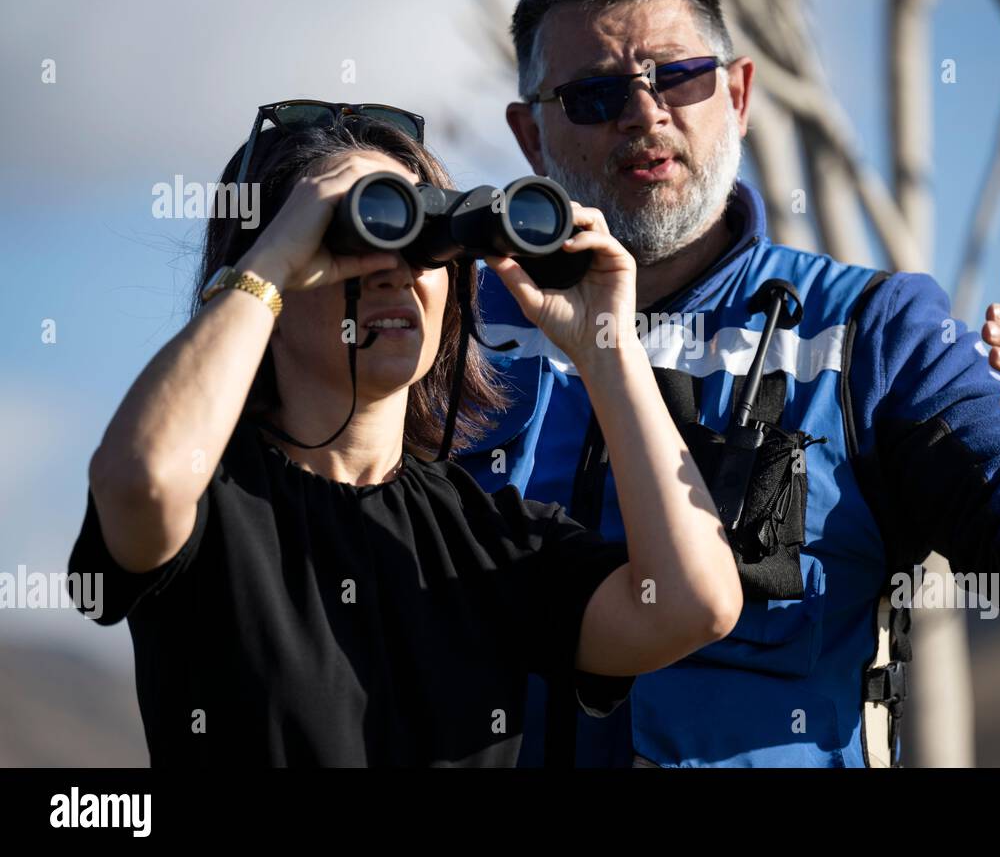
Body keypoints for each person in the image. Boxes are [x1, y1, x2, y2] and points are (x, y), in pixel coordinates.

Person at [457, 0, 1000, 767]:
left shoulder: (874, 331)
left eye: (680, 76)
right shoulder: (442, 325)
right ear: (530, 135)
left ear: (741, 94)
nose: (647, 113)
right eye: (595, 96)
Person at [68, 104, 742, 766]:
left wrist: (606, 347)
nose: (396, 270)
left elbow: (693, 605)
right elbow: (142, 480)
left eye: (424, 239)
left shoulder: (486, 540)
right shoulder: (208, 502)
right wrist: (269, 262)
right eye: (352, 235)